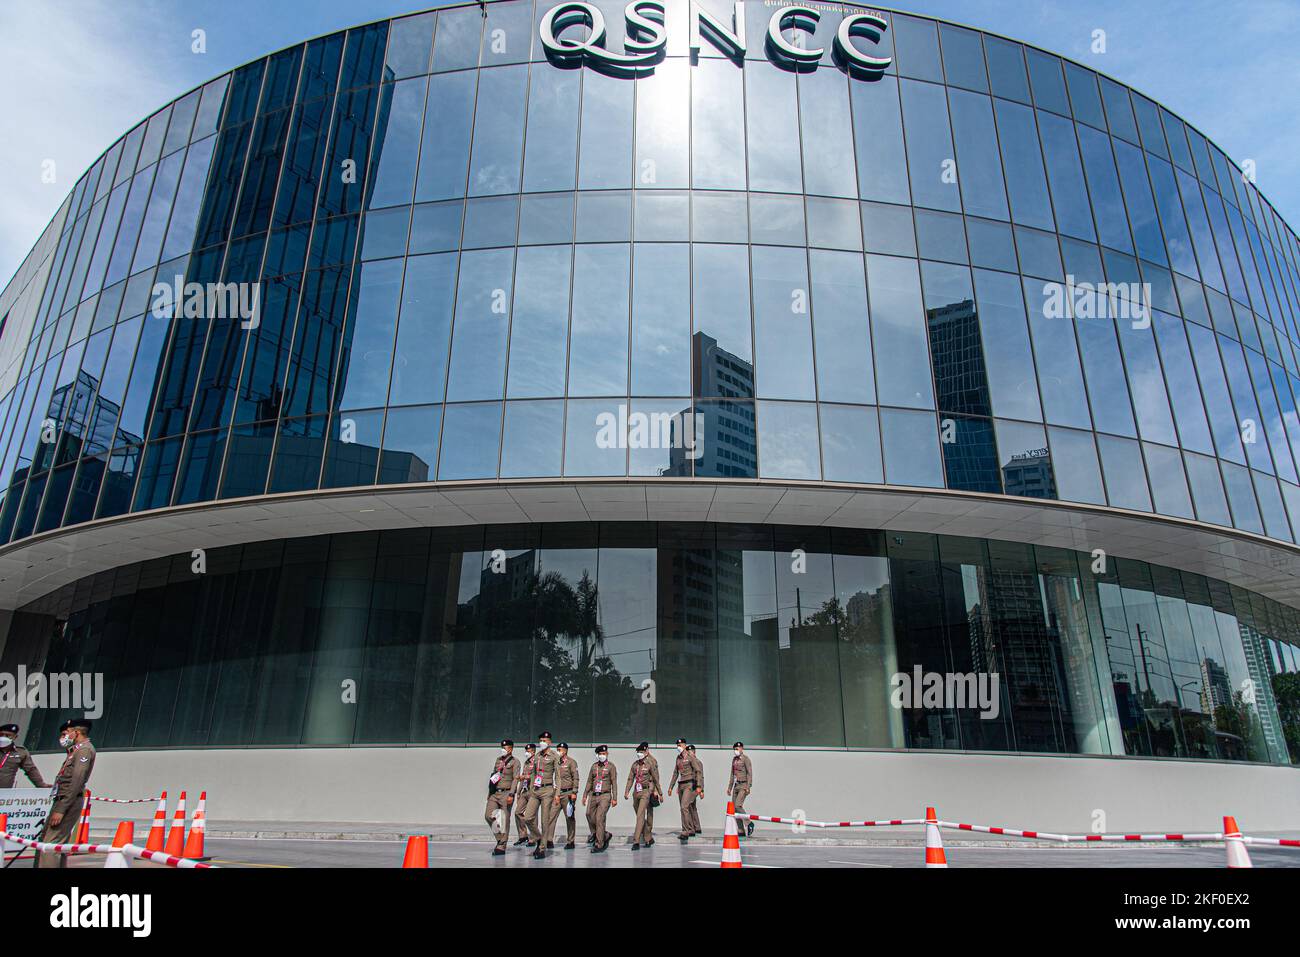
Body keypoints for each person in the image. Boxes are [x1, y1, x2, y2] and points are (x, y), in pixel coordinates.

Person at [36, 719, 95, 868]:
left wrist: (62, 809)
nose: (64, 737)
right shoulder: (75, 750)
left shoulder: (84, 750)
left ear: (76, 732)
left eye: (67, 733)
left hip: (68, 801)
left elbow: (77, 781)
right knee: (50, 843)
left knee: (51, 845)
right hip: (62, 798)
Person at [521, 731, 560, 859]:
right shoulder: (537, 756)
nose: (542, 742)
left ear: (550, 742)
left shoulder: (554, 756)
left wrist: (557, 794)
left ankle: (542, 848)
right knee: (527, 818)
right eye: (541, 740)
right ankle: (539, 839)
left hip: (547, 790)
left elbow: (558, 777)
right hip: (536, 790)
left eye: (545, 740)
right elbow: (533, 774)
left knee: (544, 821)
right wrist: (532, 788)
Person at [485, 738, 519, 855]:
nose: (504, 750)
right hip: (495, 793)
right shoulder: (498, 760)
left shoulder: (515, 761)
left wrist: (511, 794)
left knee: (505, 819)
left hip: (506, 792)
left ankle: (502, 846)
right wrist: (489, 793)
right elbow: (494, 776)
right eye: (502, 748)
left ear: (511, 749)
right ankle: (500, 839)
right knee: (489, 815)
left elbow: (516, 779)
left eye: (506, 748)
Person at [624, 742, 661, 850]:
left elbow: (655, 777)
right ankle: (648, 836)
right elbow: (631, 778)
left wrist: (655, 791)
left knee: (648, 814)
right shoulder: (636, 764)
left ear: (647, 750)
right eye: (639, 752)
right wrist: (627, 791)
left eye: (642, 751)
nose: (640, 753)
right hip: (638, 790)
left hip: (648, 789)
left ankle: (639, 839)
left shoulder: (652, 761)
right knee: (639, 814)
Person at [582, 745, 617, 852]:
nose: (602, 756)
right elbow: (589, 781)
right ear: (597, 755)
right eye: (600, 754)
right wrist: (585, 795)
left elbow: (614, 783)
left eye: (604, 754)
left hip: (605, 795)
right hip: (593, 794)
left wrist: (614, 798)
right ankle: (602, 834)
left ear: (607, 754)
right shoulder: (594, 766)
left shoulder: (611, 766)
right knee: (588, 814)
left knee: (599, 817)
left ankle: (599, 844)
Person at [667, 738, 704, 841]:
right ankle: (690, 829)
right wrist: (671, 786)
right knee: (683, 808)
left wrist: (699, 786)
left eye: (680, 745)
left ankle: (685, 831)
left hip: (689, 784)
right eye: (677, 745)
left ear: (684, 745)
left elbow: (698, 771)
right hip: (681, 785)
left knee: (684, 807)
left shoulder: (690, 757)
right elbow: (675, 773)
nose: (678, 747)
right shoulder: (678, 758)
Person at [551, 741, 581, 850]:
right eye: (557, 749)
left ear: (566, 751)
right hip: (557, 793)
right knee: (551, 816)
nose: (558, 751)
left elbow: (576, 778)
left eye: (560, 750)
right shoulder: (555, 762)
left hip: (568, 793)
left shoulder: (571, 762)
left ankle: (570, 841)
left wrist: (574, 792)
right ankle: (549, 839)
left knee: (570, 817)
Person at [0, 723, 47, 788]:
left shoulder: (21, 752)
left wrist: (41, 785)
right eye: (1, 735)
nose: (3, 737)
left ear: (15, 737)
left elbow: (31, 770)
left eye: (8, 735)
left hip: (4, 793)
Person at [727, 741, 754, 837]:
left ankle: (749, 823)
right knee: (734, 809)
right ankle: (741, 830)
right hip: (736, 785)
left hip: (743, 785)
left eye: (737, 749)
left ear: (742, 748)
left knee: (738, 805)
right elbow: (732, 774)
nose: (736, 750)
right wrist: (729, 787)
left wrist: (748, 786)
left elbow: (749, 773)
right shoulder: (734, 760)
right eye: (734, 749)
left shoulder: (746, 759)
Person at [513, 742, 538, 846]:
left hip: (533, 791)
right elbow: (522, 778)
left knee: (532, 815)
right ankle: (523, 835)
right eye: (526, 751)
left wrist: (526, 777)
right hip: (524, 790)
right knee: (518, 812)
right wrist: (518, 792)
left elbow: (537, 776)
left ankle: (533, 838)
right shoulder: (526, 762)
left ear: (533, 751)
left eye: (528, 751)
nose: (526, 753)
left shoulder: (537, 761)